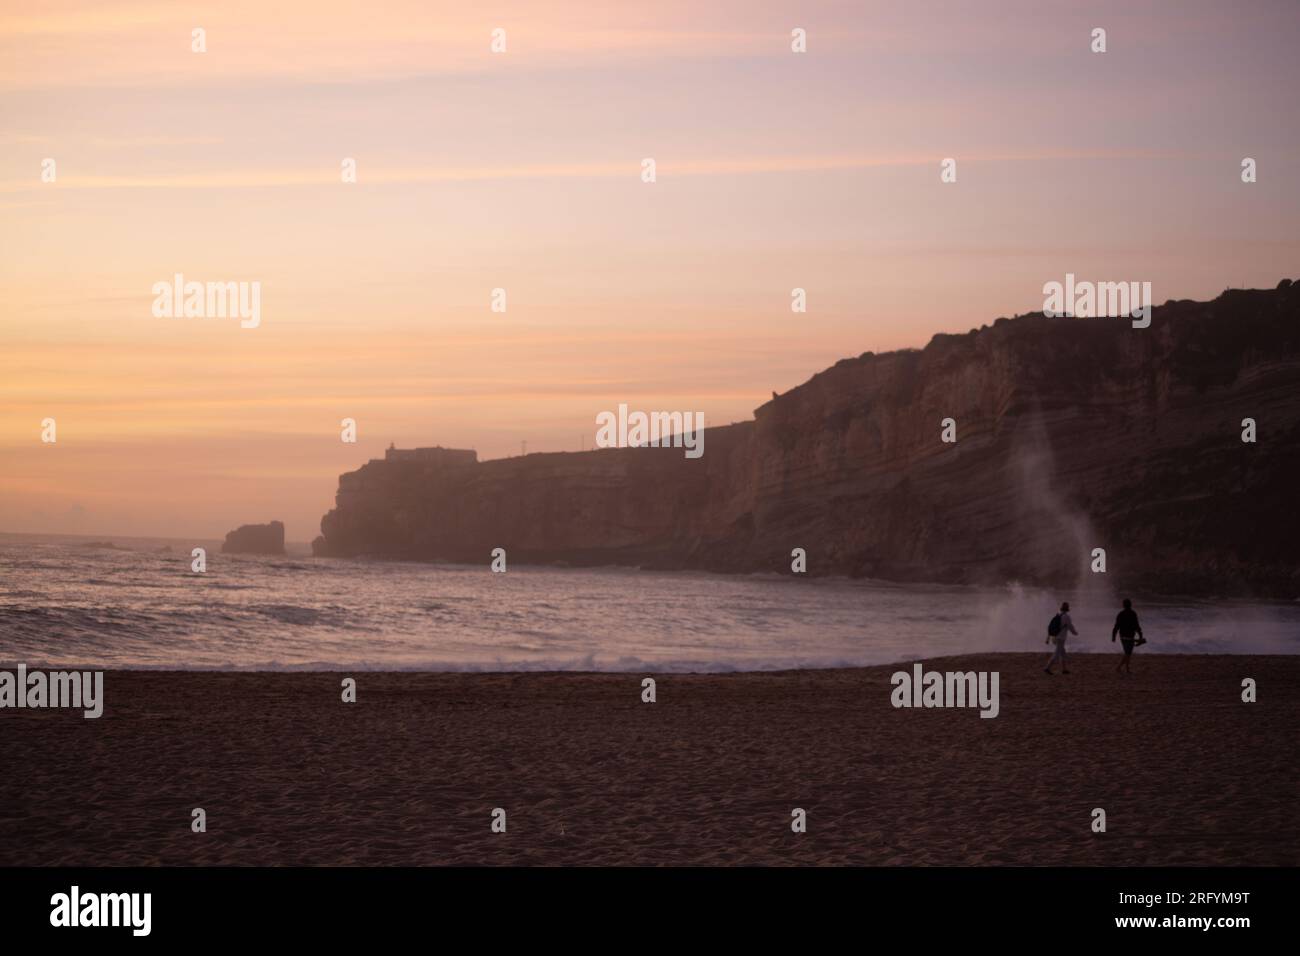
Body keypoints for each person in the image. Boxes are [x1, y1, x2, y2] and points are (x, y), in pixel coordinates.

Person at [1112, 598, 1144, 674]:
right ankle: (1119, 668)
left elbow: (1116, 626)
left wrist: (1113, 636)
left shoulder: (1121, 614)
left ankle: (1126, 669)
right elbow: (1137, 626)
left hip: (1123, 636)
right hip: (1130, 636)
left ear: (1123, 605)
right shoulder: (1133, 613)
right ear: (1130, 605)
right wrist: (1140, 635)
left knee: (1128, 653)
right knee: (1128, 653)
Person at [1044, 601, 1077, 675]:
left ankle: (1064, 669)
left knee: (1062, 653)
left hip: (1054, 637)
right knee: (1056, 654)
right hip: (1060, 638)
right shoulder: (1066, 617)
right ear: (1067, 609)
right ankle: (1047, 668)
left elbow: (1050, 626)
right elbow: (1070, 626)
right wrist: (1075, 633)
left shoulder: (1058, 615)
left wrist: (1048, 638)